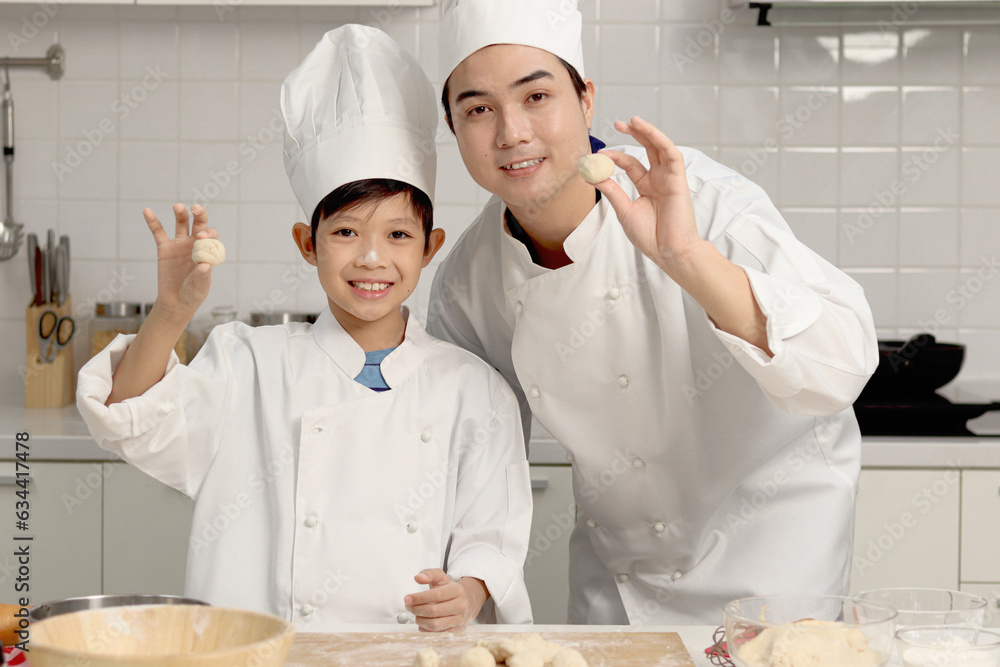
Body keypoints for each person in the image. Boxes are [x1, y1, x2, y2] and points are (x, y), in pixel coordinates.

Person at [427, 0, 878, 625]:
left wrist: (686, 257)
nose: (511, 133)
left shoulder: (698, 201)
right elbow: (466, 457)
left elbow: (842, 364)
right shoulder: (467, 283)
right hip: (621, 577)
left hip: (774, 557)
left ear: (585, 100)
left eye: (536, 97)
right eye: (477, 109)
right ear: (454, 131)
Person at [76, 24, 533, 632]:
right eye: (345, 232)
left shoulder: (475, 390)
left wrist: (469, 594)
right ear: (306, 244)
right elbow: (130, 416)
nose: (372, 258)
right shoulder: (247, 365)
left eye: (398, 234)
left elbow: (493, 538)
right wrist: (170, 314)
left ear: (430, 248)